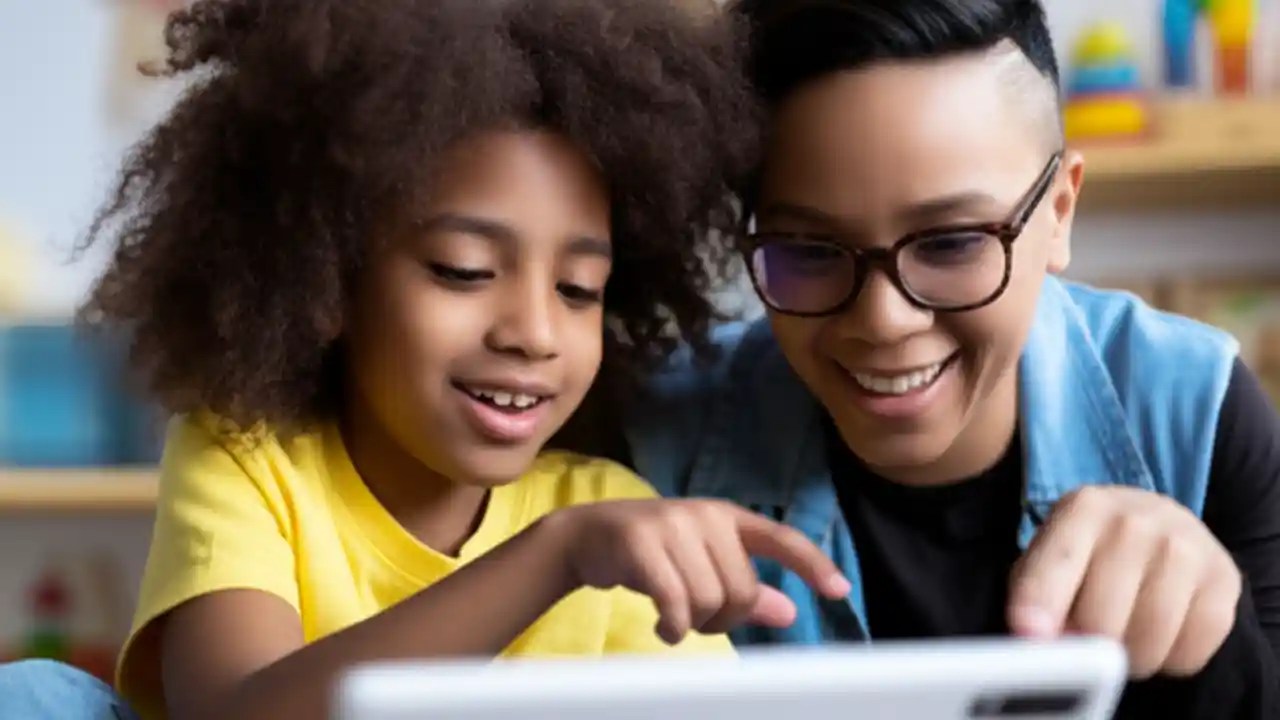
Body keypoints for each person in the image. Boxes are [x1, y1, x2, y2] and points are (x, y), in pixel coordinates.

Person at [0, 1, 851, 719]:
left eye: (580, 289)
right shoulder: (249, 461)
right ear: (327, 281)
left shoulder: (613, 518)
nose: (533, 332)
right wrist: (551, 559)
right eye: (463, 271)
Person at [622, 1, 1280, 717]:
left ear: (1059, 212)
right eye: (809, 252)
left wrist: (1219, 650)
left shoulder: (1200, 412)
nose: (883, 321)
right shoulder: (652, 437)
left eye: (952, 243)